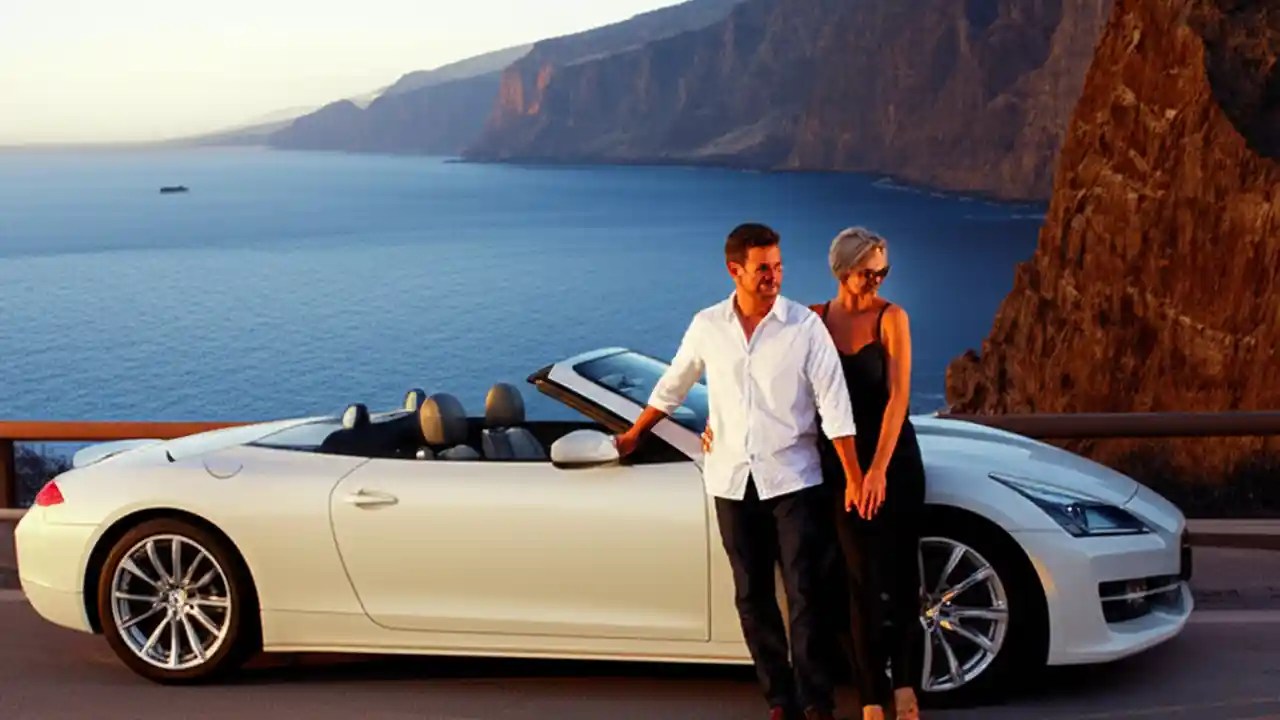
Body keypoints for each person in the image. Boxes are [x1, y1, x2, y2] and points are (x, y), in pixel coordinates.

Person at [614, 222, 865, 720]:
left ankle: (817, 701)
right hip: (731, 480)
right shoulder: (708, 326)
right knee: (751, 595)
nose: (774, 275)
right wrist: (634, 433)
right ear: (735, 271)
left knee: (805, 593)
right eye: (763, 268)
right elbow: (674, 385)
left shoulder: (804, 327)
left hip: (794, 478)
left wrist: (855, 477)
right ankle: (779, 698)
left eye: (778, 265)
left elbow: (835, 407)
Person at [709, 227, 927, 720]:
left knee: (902, 575)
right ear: (843, 271)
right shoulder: (812, 320)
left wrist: (876, 471)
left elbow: (898, 401)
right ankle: (871, 695)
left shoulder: (893, 318)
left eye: (883, 272)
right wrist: (715, 425)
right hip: (838, 467)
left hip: (892, 462)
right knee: (857, 581)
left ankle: (907, 688)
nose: (877, 280)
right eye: (868, 272)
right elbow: (769, 390)